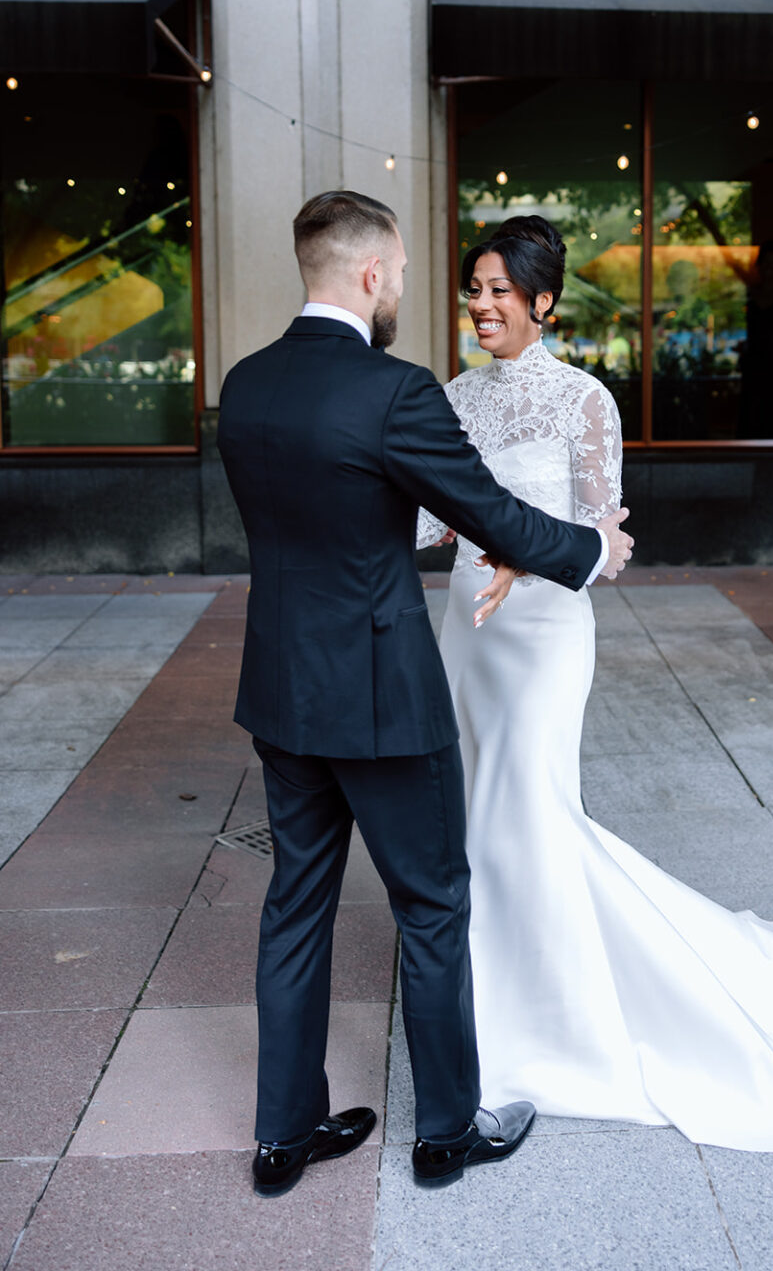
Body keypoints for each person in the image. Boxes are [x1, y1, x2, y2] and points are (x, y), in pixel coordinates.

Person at [418, 214, 773, 1152]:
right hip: (468, 632)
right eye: (474, 290)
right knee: (475, 811)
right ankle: (490, 985)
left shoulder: (584, 400)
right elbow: (426, 519)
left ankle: (545, 1016)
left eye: (499, 291)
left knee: (527, 807)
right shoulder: (452, 398)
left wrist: (521, 557)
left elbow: (603, 544)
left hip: (541, 636)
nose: (481, 306)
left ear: (543, 301)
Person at [216, 190, 634, 1196]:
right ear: (370, 273)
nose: (409, 287)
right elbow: (487, 511)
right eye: (402, 272)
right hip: (384, 700)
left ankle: (284, 1137)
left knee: (295, 906)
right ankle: (447, 1132)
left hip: (282, 689)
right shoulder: (396, 390)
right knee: (434, 904)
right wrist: (590, 550)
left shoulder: (244, 384)